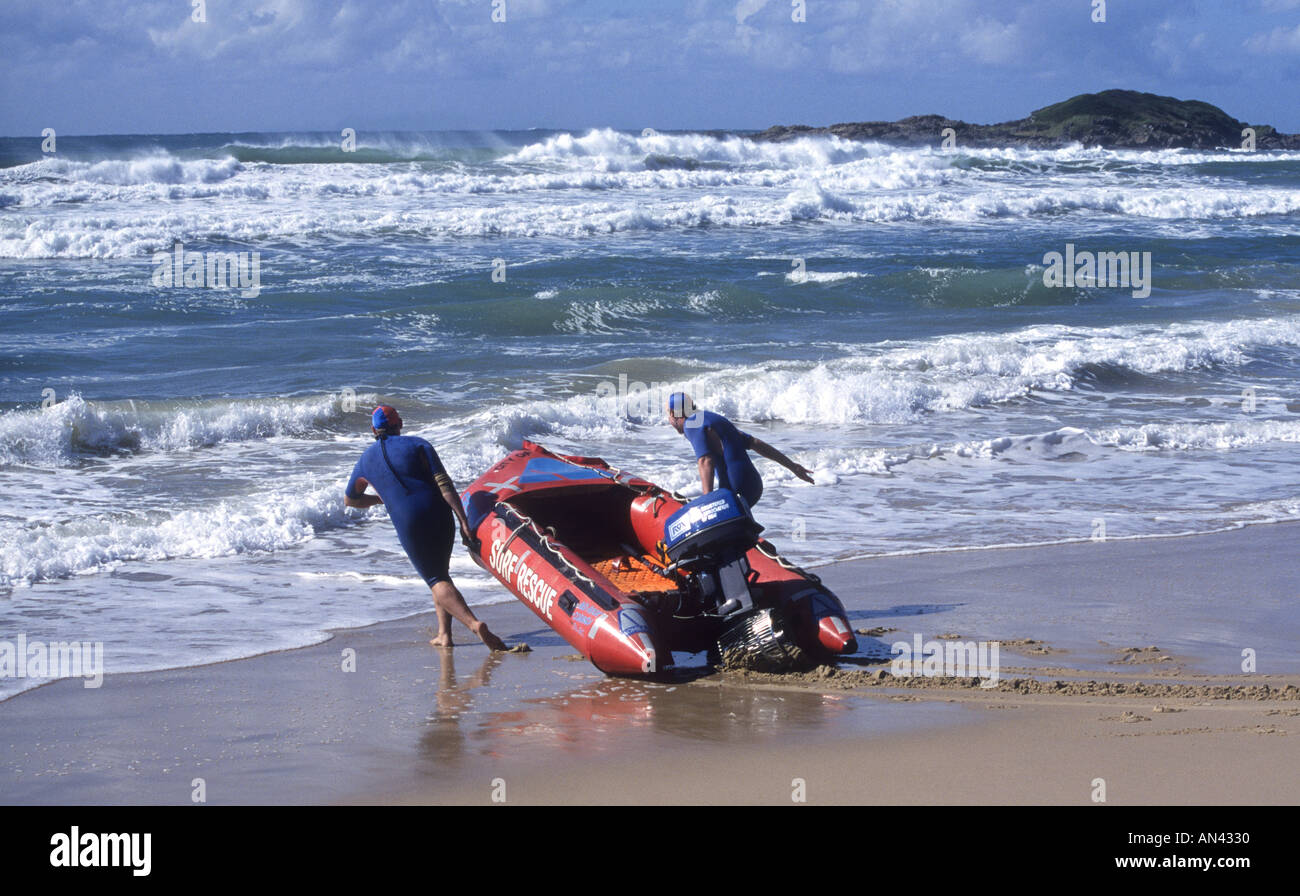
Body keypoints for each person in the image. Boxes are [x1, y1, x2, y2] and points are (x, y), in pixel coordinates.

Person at [344, 405, 506, 651]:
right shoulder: (419, 444)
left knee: (435, 578)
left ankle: (474, 625)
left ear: (373, 430)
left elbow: (351, 500)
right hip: (439, 512)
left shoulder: (365, 460)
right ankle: (444, 635)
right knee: (440, 573)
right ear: (400, 425)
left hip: (410, 521)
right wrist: (463, 521)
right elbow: (445, 485)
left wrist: (382, 499)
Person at [665, 392, 814, 507]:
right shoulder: (711, 418)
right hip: (754, 485)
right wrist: (793, 467)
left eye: (668, 415)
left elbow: (705, 460)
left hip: (735, 488)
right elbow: (756, 443)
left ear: (673, 413)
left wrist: (707, 501)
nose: (669, 420)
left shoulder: (692, 423)